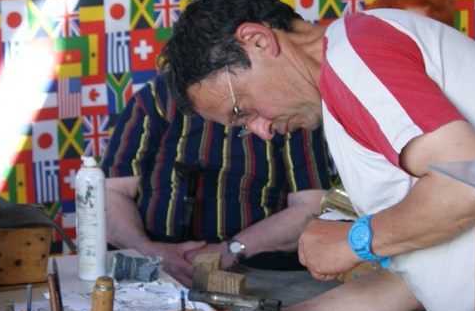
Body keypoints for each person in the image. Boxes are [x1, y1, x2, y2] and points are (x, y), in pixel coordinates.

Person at [160, 0, 475, 311]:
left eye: (242, 111)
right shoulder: (348, 80)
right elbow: (414, 281)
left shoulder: (354, 56)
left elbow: (469, 186)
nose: (261, 130)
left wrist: (358, 239)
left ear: (257, 40)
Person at [101, 72, 334, 284]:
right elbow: (110, 194)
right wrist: (149, 252)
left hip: (257, 267)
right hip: (153, 267)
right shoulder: (158, 97)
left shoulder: (285, 102)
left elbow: (311, 206)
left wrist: (230, 250)